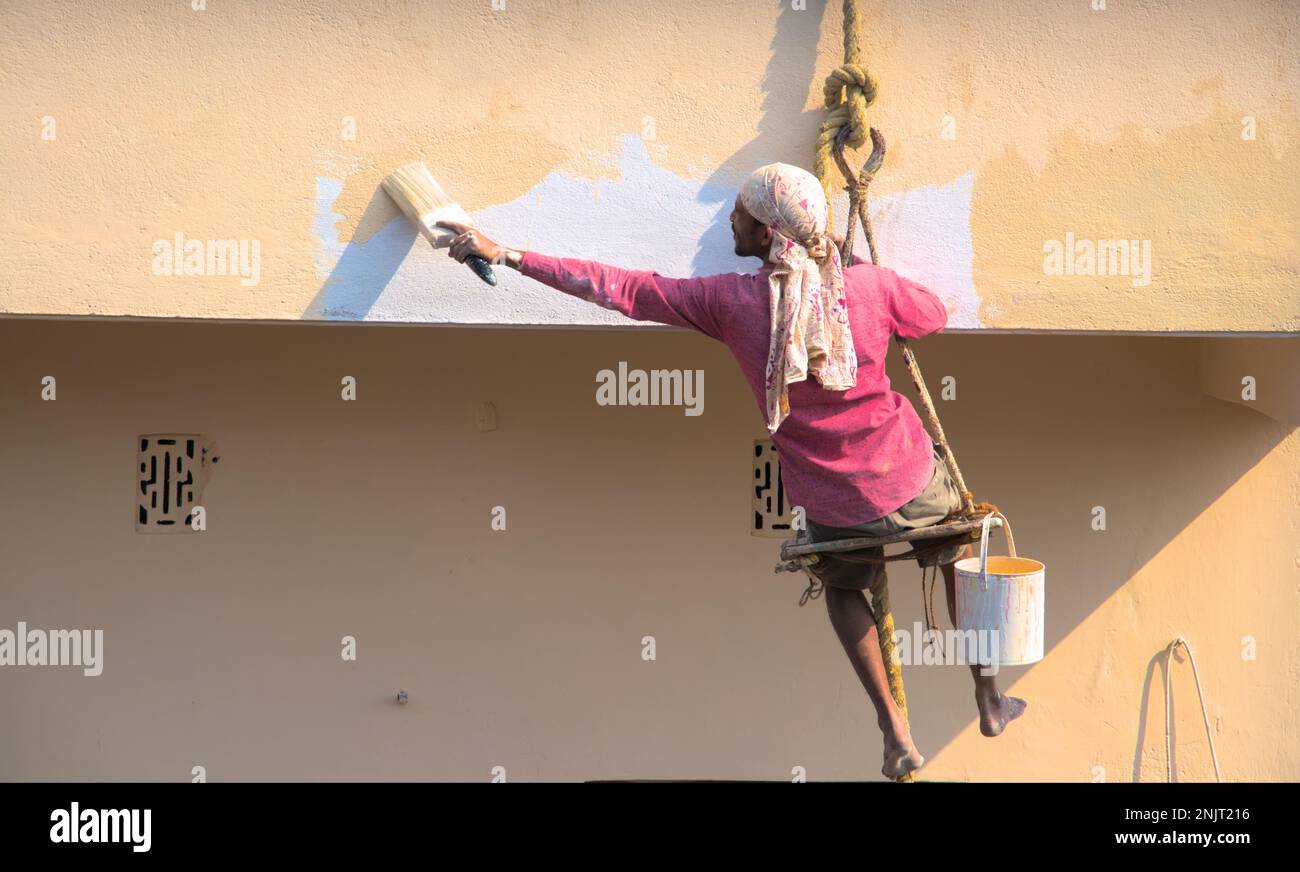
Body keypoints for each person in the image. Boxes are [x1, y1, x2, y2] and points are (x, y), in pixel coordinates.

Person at [435, 161, 1025, 780]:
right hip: (904, 476)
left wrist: (506, 254)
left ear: (770, 234)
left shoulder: (731, 302)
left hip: (831, 504)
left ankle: (893, 730)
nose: (729, 218)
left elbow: (622, 290)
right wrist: (862, 275)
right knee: (960, 557)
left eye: (741, 212)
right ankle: (988, 696)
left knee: (847, 589)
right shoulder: (866, 287)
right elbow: (931, 315)